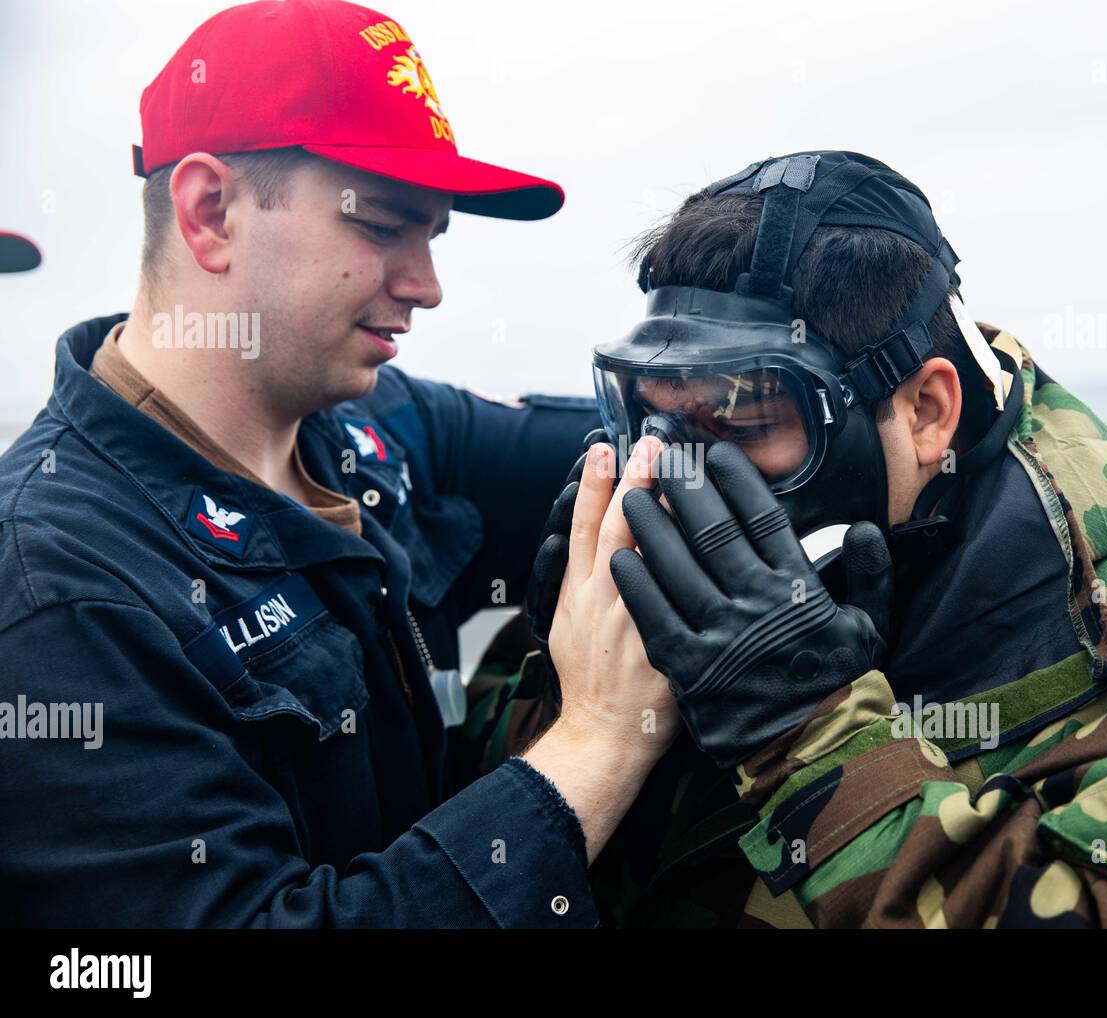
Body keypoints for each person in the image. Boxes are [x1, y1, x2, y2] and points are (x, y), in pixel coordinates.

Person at [464, 151, 1107, 927]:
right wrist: (559, 683)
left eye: (749, 417)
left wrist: (808, 732)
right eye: (656, 415)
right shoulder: (675, 579)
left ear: (926, 413)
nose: (681, 475)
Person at [0, 0, 682, 927]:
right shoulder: (60, 588)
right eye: (384, 227)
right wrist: (597, 741)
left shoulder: (372, 423)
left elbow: (636, 440)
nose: (428, 287)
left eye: (434, 237)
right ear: (211, 212)